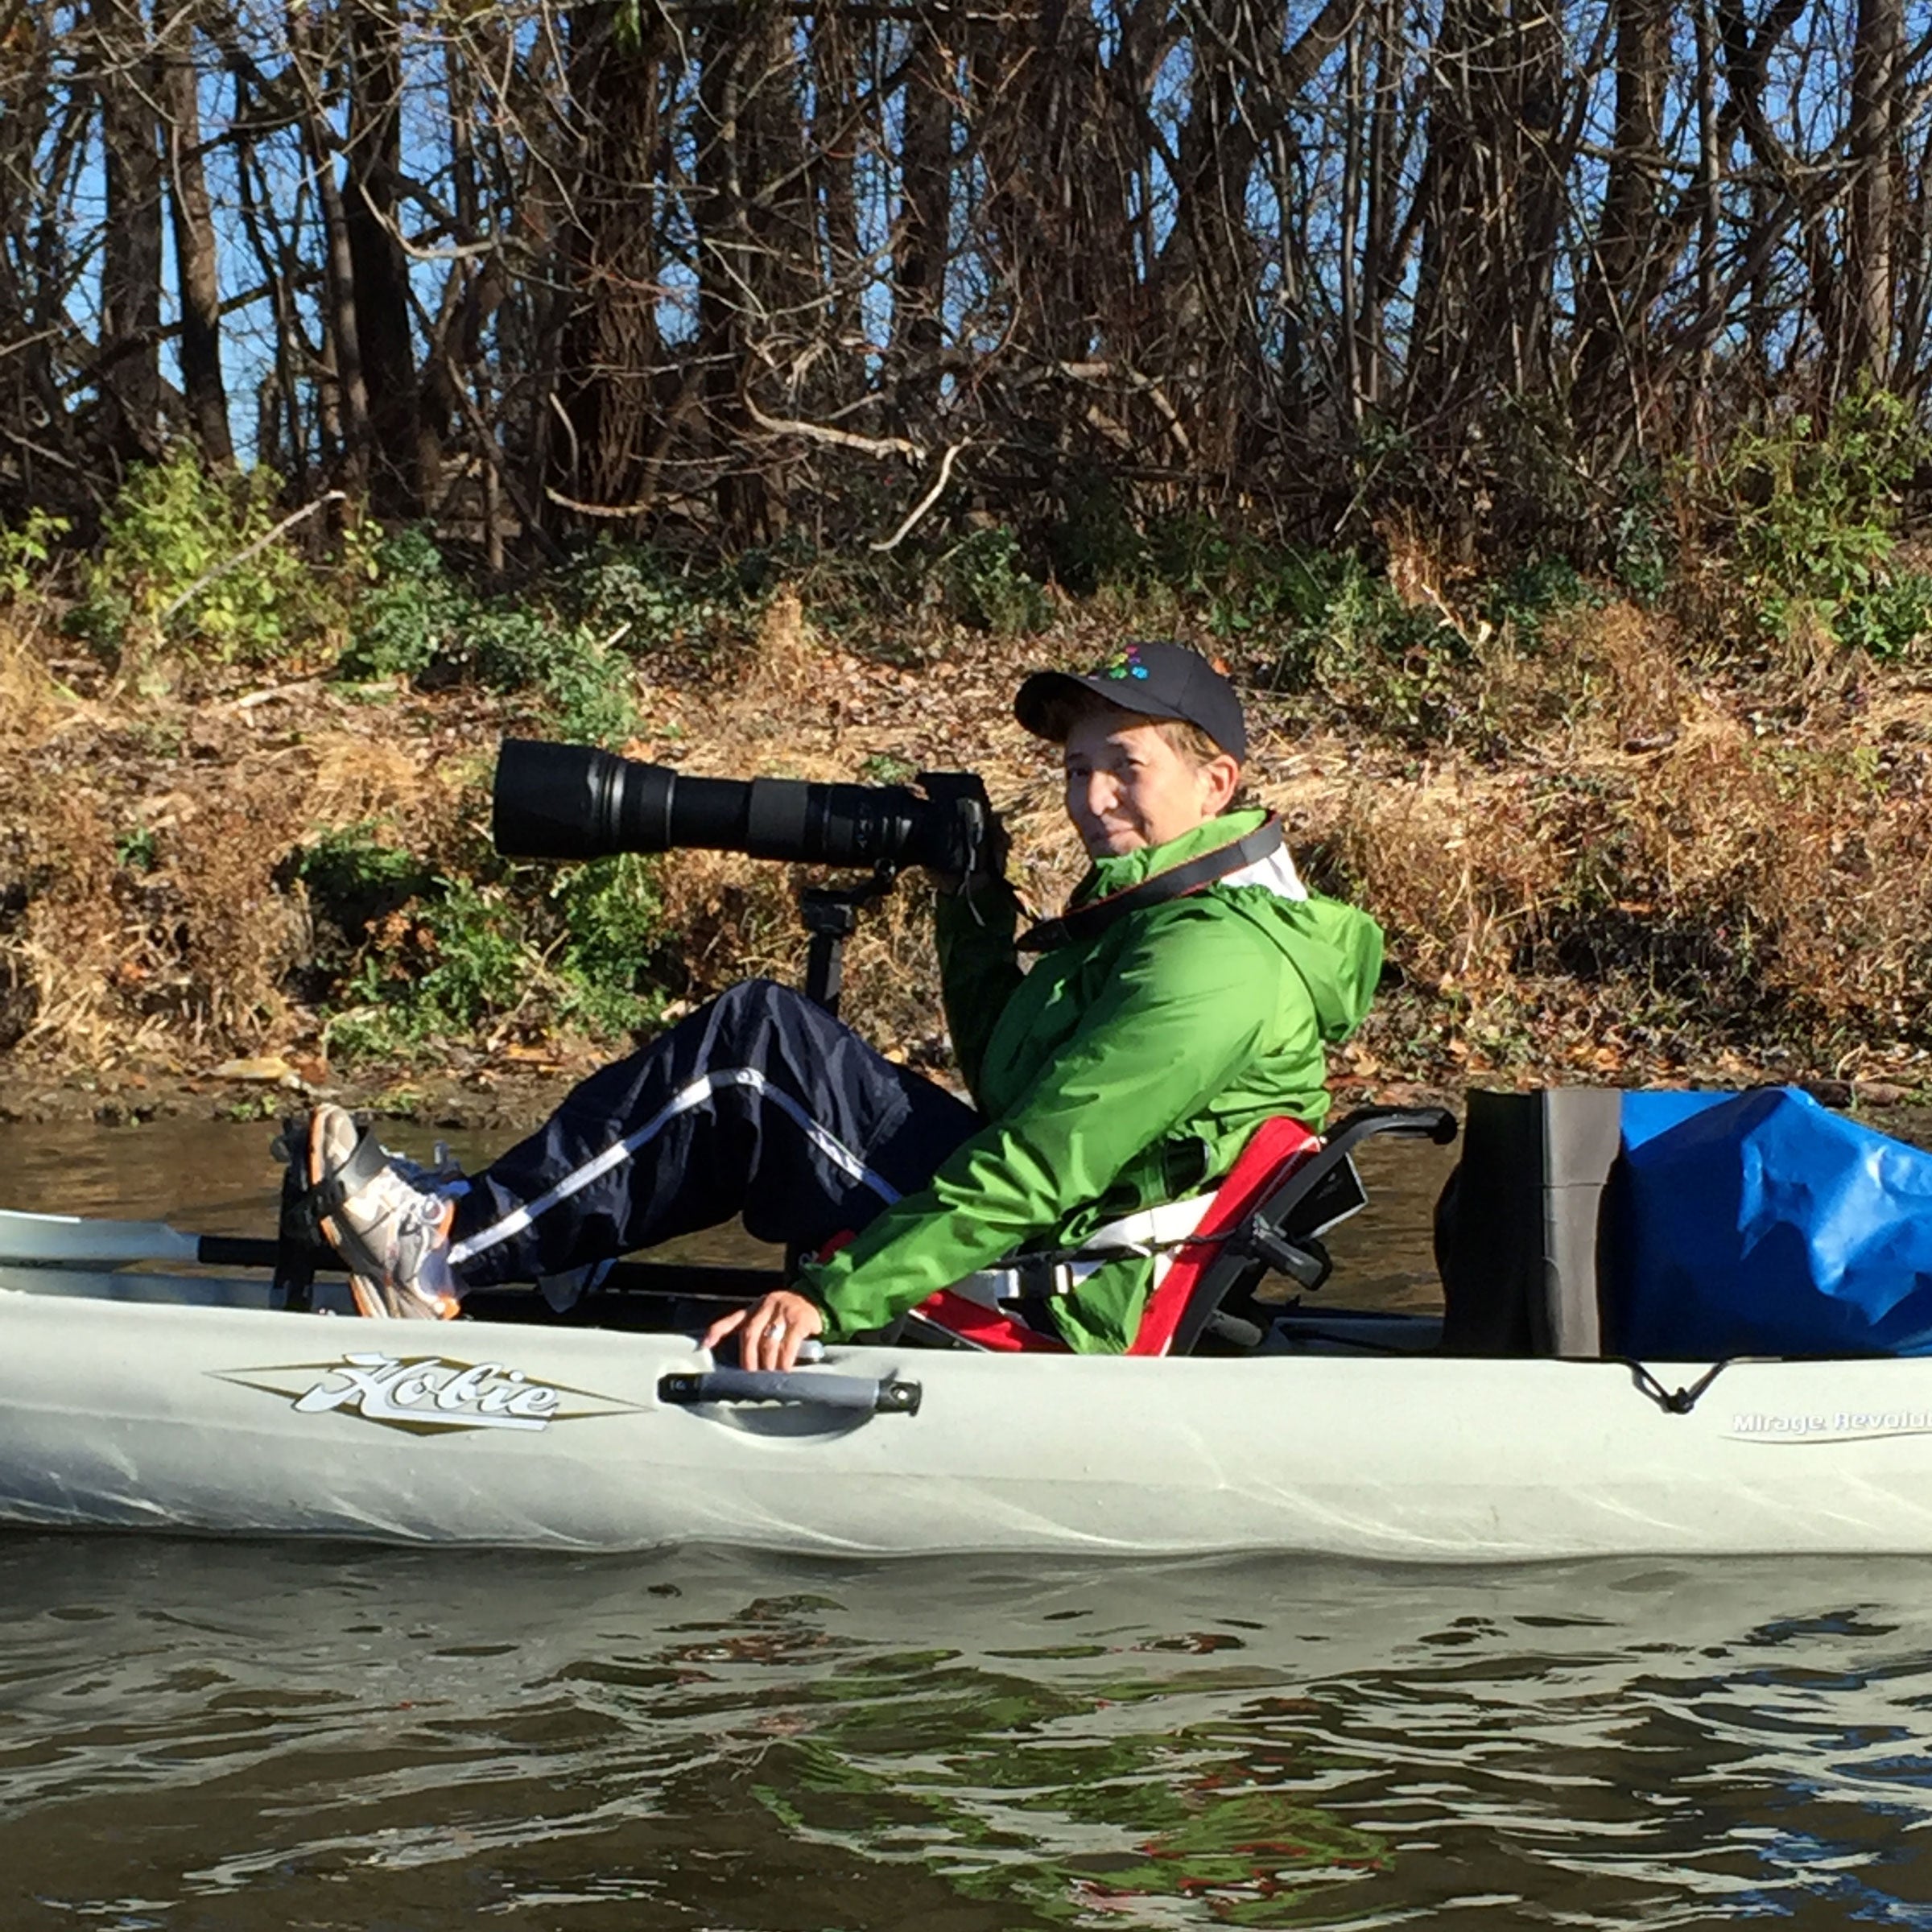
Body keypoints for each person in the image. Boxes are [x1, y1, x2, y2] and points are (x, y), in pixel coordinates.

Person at [302, 641, 1385, 1363]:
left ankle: (445, 1251)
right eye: (1076, 768)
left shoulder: (1214, 962)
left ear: (1217, 786)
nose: (1092, 799)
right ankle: (516, 1234)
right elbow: (1013, 1084)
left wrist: (837, 1299)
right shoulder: (1156, 918)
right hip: (1068, 1231)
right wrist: (967, 906)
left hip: (1071, 1292)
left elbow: (1043, 1163)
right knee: (772, 1056)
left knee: (755, 1055)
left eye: (1126, 767)